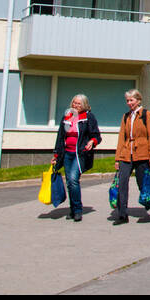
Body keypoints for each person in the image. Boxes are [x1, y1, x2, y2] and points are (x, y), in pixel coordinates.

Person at [51, 94, 102, 222]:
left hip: (80, 154)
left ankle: (78, 210)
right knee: (69, 182)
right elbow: (60, 136)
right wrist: (56, 155)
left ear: (84, 105)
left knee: (73, 180)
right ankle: (73, 209)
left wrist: (92, 141)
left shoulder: (88, 117)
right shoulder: (67, 116)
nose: (76, 105)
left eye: (79, 103)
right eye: (74, 103)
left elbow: (97, 135)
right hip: (67, 153)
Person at [112, 89, 150, 224]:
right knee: (122, 182)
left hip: (142, 153)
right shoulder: (126, 117)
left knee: (142, 182)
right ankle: (122, 214)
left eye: (131, 100)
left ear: (138, 100)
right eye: (127, 100)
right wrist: (117, 158)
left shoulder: (146, 115)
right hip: (126, 154)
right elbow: (121, 137)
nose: (129, 103)